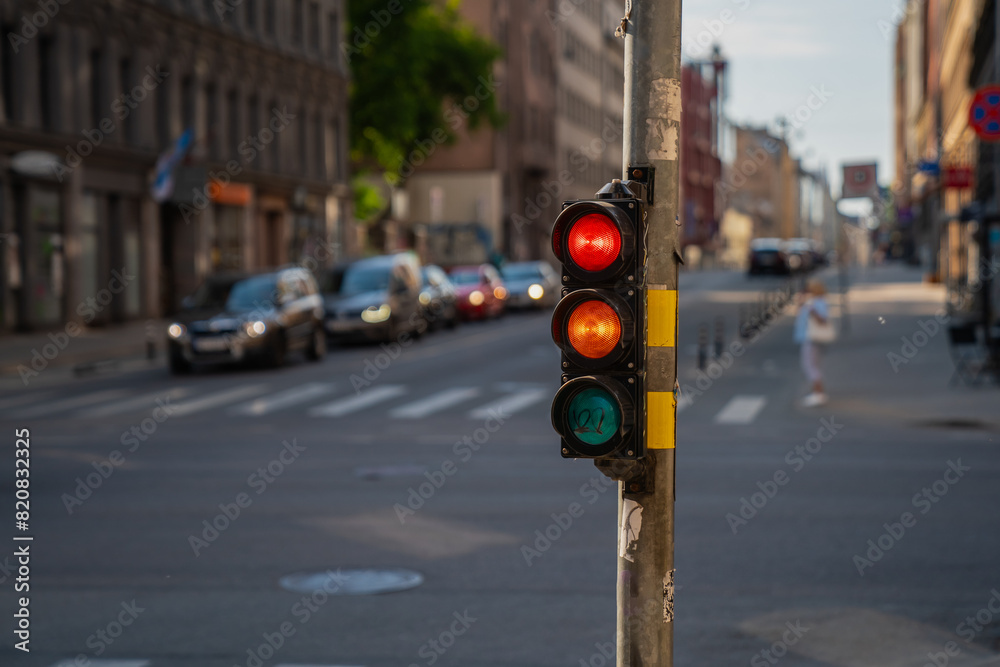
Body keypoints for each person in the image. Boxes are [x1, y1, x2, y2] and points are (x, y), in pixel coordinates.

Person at [794, 279, 830, 407]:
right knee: (812, 365)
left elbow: (823, 320)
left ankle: (818, 393)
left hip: (812, 338)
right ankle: (817, 392)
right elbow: (799, 311)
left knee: (810, 365)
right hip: (808, 337)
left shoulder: (818, 303)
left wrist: (811, 309)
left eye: (808, 290)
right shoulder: (811, 302)